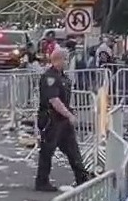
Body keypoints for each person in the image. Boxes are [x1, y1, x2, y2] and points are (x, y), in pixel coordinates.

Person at [35, 48, 92, 192]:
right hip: (51, 119)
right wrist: (69, 114)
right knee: (47, 151)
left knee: (73, 149)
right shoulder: (50, 77)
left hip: (62, 120)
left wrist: (68, 113)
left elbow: (63, 99)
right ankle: (42, 182)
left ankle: (82, 178)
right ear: (57, 60)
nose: (67, 62)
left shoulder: (62, 77)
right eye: (65, 59)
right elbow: (54, 100)